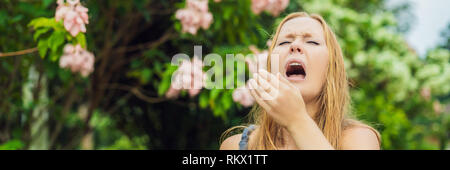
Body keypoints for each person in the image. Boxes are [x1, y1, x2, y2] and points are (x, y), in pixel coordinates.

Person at [220, 12, 381, 150]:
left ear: (331, 69)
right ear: (271, 66)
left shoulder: (359, 139)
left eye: (312, 42)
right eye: (284, 42)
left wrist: (296, 120)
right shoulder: (234, 146)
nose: (295, 45)